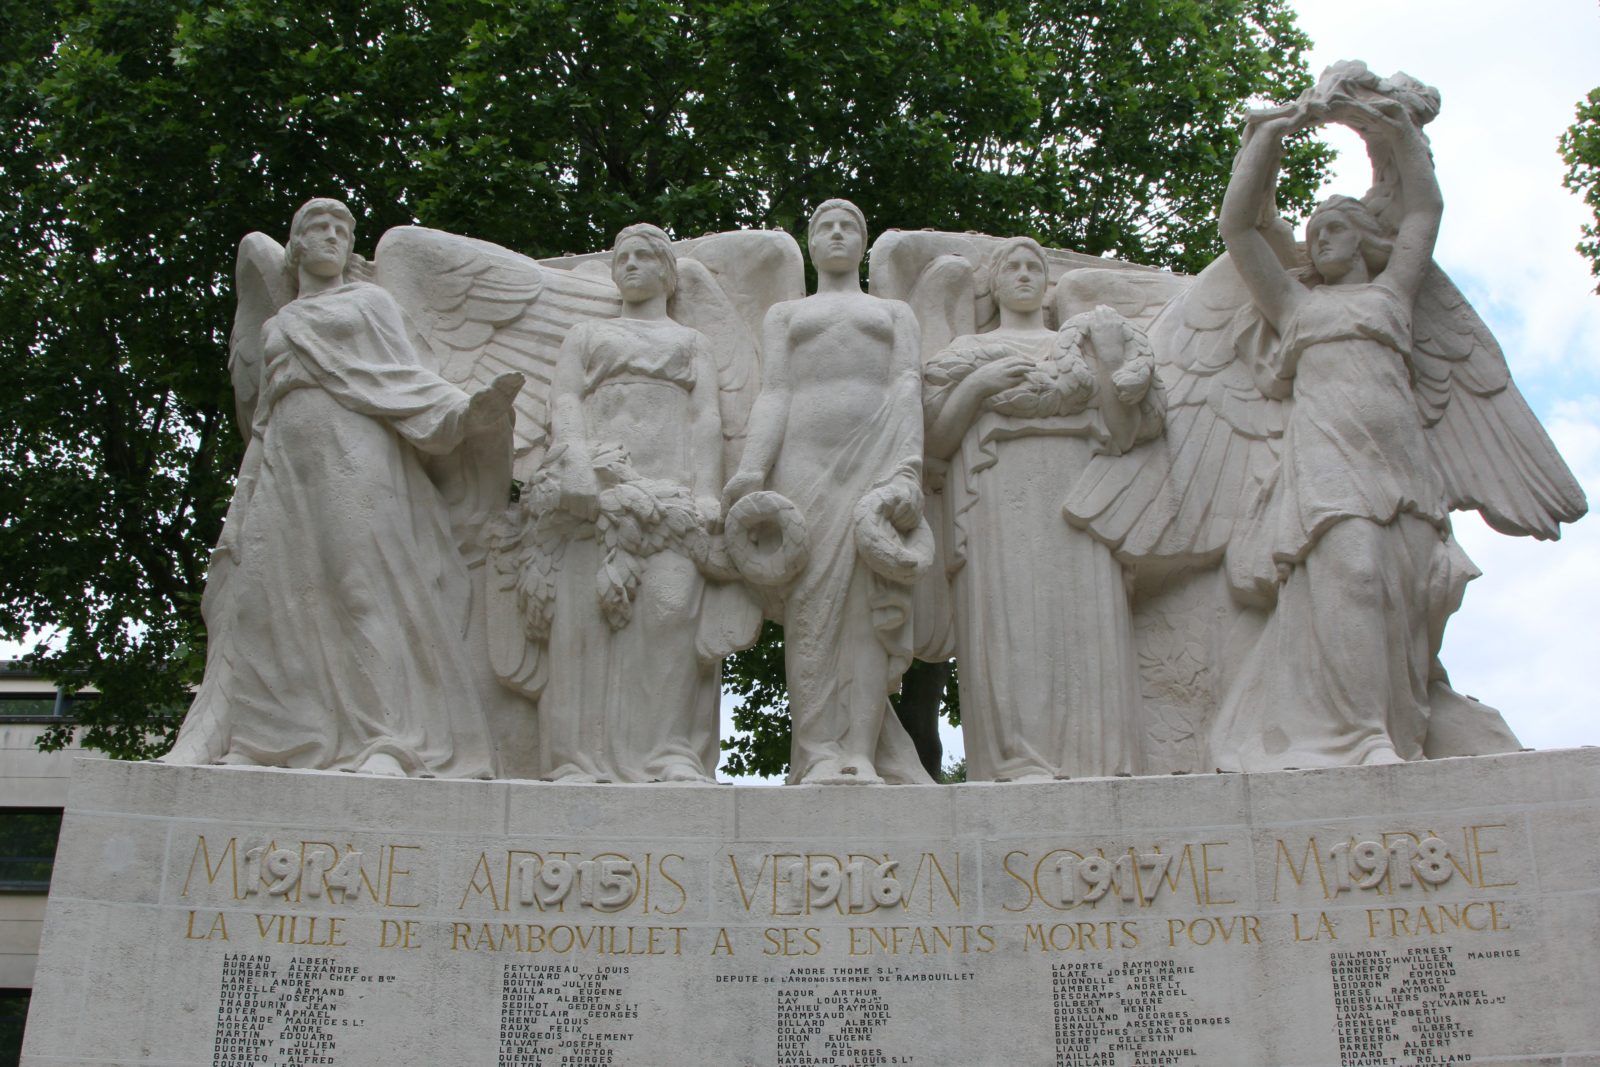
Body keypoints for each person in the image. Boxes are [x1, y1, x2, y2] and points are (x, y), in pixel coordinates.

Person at [167, 198, 520, 776]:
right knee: (273, 599)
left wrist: (464, 411)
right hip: (287, 461)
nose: (330, 235)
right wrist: (247, 487)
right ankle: (268, 742)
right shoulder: (277, 324)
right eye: (316, 227)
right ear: (297, 245)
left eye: (341, 228)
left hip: (359, 454)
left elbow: (405, 378)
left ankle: (390, 742)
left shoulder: (372, 302)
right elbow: (262, 416)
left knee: (363, 587)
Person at [1206, 98, 1453, 770]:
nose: (1319, 238)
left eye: (1334, 226)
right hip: (1327, 456)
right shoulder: (1296, 306)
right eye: (1312, 232)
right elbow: (1238, 229)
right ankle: (1360, 733)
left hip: (1400, 458)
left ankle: (1396, 726)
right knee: (1358, 576)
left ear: (1365, 238)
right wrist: (1267, 137)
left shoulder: (1391, 296)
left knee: (1409, 596)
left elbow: (1424, 213)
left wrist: (1400, 135)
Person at [923, 238, 1152, 780]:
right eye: (1013, 267)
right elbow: (934, 439)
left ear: (1048, 286)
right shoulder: (964, 355)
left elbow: (1124, 437)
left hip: (1080, 495)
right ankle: (1017, 759)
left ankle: (1102, 759)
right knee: (1013, 625)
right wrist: (978, 386)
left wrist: (1119, 368)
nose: (1024, 275)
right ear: (993, 284)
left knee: (1088, 622)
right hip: (997, 499)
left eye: (1035, 268)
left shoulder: (1083, 350)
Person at [723, 199, 932, 785]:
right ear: (810, 245)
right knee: (811, 612)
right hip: (804, 468)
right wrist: (751, 469)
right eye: (824, 227)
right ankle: (816, 751)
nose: (837, 234)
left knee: (868, 615)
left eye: (849, 227)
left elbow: (907, 385)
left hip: (874, 465)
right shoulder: (786, 314)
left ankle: (860, 752)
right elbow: (775, 393)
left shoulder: (894, 313)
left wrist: (908, 472)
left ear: (863, 244)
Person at [533, 223, 727, 782]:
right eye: (624, 257)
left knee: (670, 616)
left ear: (669, 272)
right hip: (595, 497)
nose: (632, 265)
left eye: (646, 256)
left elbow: (706, 417)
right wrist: (573, 462)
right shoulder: (587, 334)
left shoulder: (692, 344)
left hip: (672, 501)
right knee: (582, 624)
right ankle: (574, 758)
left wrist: (708, 490)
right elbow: (564, 398)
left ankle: (671, 752)